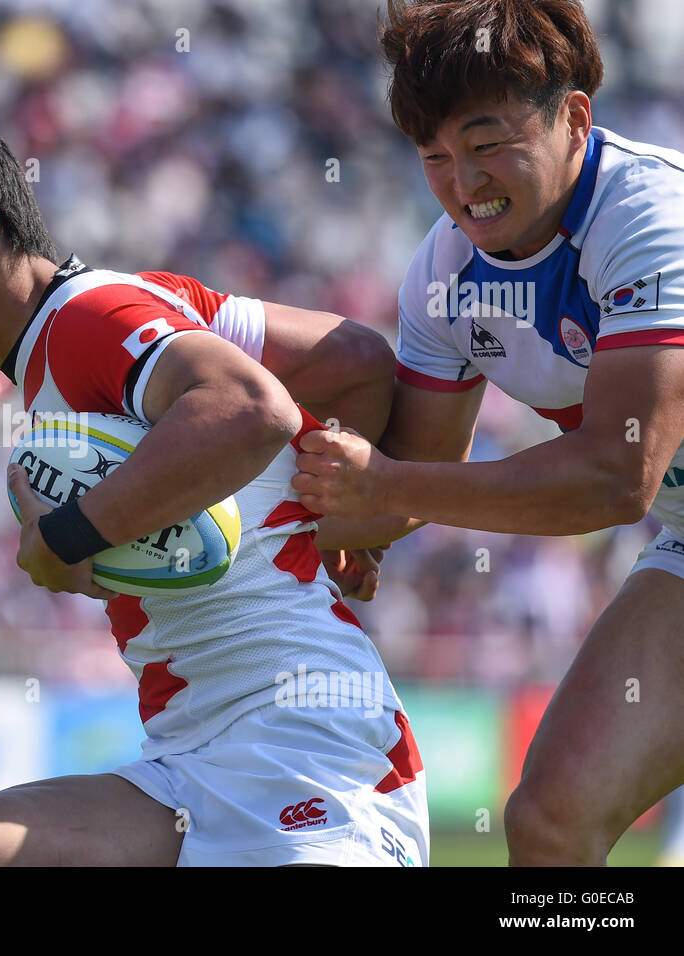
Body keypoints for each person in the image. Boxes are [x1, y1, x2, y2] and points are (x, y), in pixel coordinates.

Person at [0, 101, 425, 866]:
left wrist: (65, 537)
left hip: (314, 751)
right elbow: (355, 359)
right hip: (190, 765)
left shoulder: (87, 320)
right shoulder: (122, 307)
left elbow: (250, 409)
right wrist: (334, 521)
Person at [291, 0, 684, 865]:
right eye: (434, 156)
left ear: (574, 118)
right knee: (550, 824)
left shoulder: (650, 213)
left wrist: (385, 491)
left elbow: (618, 481)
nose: (462, 184)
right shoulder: (442, 272)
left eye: (486, 143)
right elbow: (412, 477)